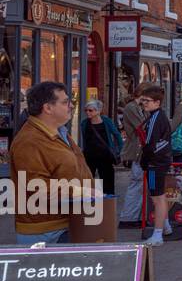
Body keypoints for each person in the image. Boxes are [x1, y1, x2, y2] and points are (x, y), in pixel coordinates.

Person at [10, 82, 94, 246]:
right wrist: (80, 192)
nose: (70, 106)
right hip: (46, 231)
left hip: (66, 222)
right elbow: (37, 187)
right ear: (47, 108)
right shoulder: (30, 141)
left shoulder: (59, 132)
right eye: (64, 102)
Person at [134, 83, 174, 246]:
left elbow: (150, 143)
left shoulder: (156, 117)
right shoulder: (156, 116)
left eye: (147, 101)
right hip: (160, 160)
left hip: (155, 162)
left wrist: (145, 160)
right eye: (143, 101)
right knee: (158, 195)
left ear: (157, 102)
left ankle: (158, 234)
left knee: (157, 198)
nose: (144, 104)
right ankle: (165, 226)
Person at [79, 98, 124, 198]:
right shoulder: (84, 123)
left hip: (105, 156)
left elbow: (117, 135)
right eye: (86, 110)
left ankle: (109, 202)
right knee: (87, 179)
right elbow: (84, 139)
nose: (88, 112)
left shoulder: (106, 121)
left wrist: (120, 150)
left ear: (98, 111)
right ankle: (89, 200)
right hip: (89, 156)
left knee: (107, 179)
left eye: (91, 110)